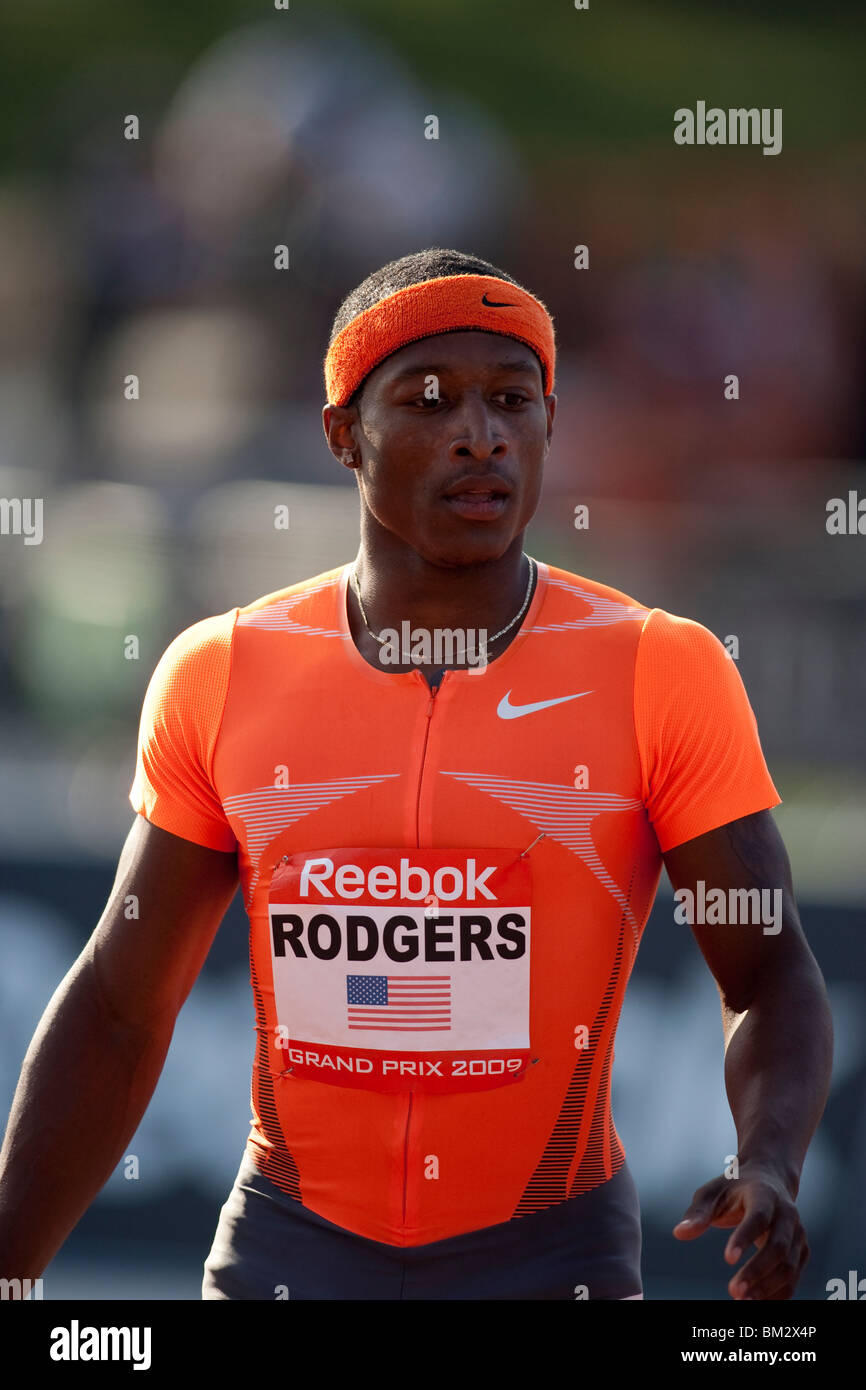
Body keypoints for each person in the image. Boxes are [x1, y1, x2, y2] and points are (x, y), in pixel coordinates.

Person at [0, 248, 832, 1302]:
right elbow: (120, 1011)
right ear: (342, 434)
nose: (478, 432)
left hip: (547, 1260)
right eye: (428, 400)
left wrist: (766, 1158)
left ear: (546, 427)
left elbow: (766, 975)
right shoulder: (222, 671)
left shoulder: (659, 669)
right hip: (290, 1254)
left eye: (510, 400)